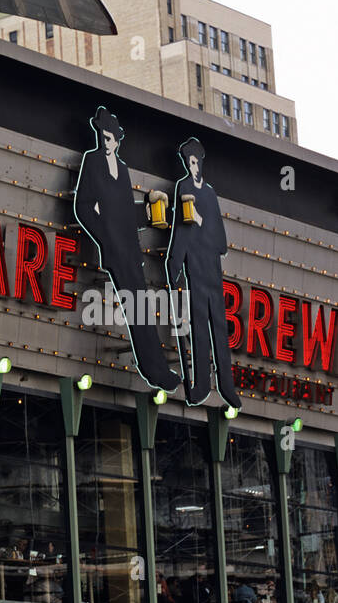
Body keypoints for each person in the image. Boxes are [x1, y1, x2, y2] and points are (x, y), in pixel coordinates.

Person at [73, 106, 182, 394]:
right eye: (104, 136)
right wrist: (104, 236)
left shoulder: (121, 168)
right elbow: (83, 206)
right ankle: (154, 370)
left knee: (141, 309)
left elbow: (124, 212)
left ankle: (156, 368)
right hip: (114, 247)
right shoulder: (92, 161)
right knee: (137, 309)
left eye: (111, 138)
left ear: (117, 139)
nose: (107, 142)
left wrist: (147, 210)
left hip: (130, 248)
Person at [164, 136, 241, 408]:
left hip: (212, 270)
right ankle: (200, 385)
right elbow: (180, 232)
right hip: (194, 270)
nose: (192, 166)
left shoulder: (208, 194)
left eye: (195, 161)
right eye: (189, 162)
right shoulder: (183, 188)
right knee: (198, 329)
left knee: (219, 329)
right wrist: (172, 264)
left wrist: (199, 220)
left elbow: (220, 241)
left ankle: (227, 386)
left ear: (201, 162)